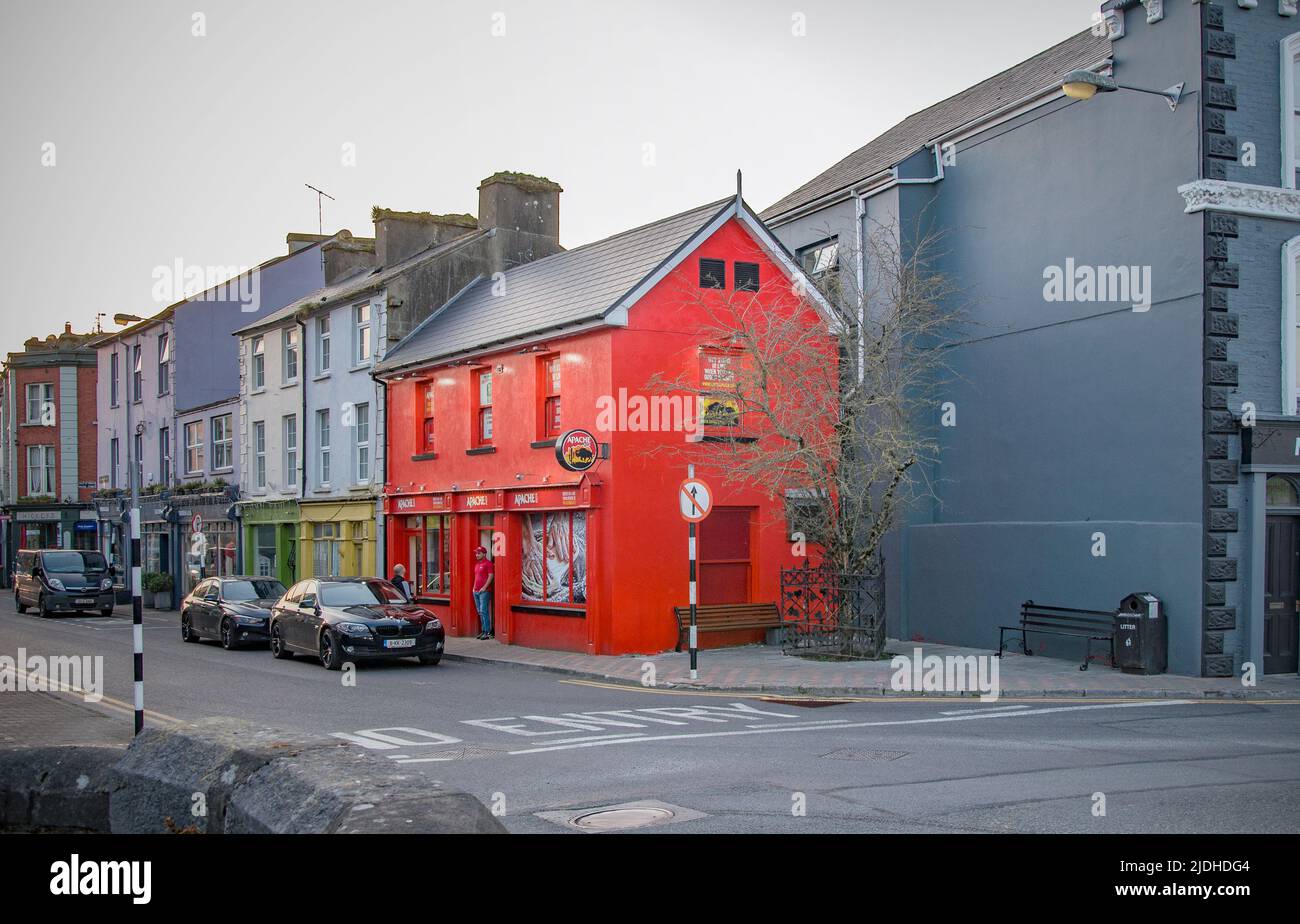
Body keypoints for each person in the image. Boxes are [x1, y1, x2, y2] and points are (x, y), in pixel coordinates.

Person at [472, 546, 495, 639]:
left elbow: (491, 576)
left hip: (484, 592)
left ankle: (487, 632)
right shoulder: (477, 565)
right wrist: (474, 588)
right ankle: (483, 630)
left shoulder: (488, 564)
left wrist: (484, 587)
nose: (477, 555)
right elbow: (476, 577)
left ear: (484, 554)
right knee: (480, 612)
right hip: (476, 591)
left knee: (483, 611)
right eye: (476, 553)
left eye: (479, 553)